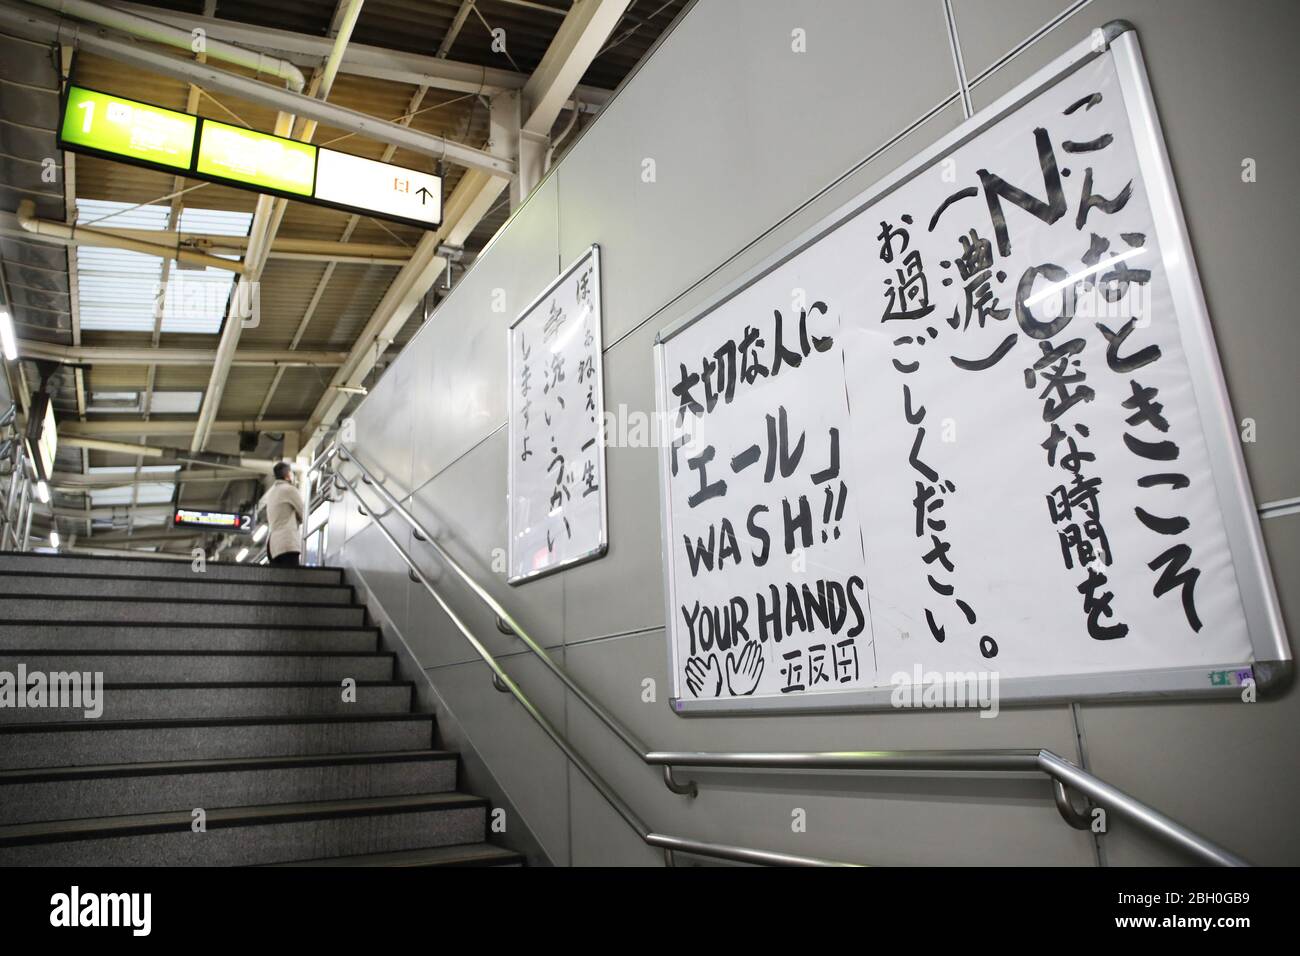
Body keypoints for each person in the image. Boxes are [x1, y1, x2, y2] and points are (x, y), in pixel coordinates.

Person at [260, 461, 305, 567]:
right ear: (288, 474)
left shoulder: (271, 494)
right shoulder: (289, 490)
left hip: (273, 546)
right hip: (287, 543)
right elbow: (303, 514)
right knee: (291, 579)